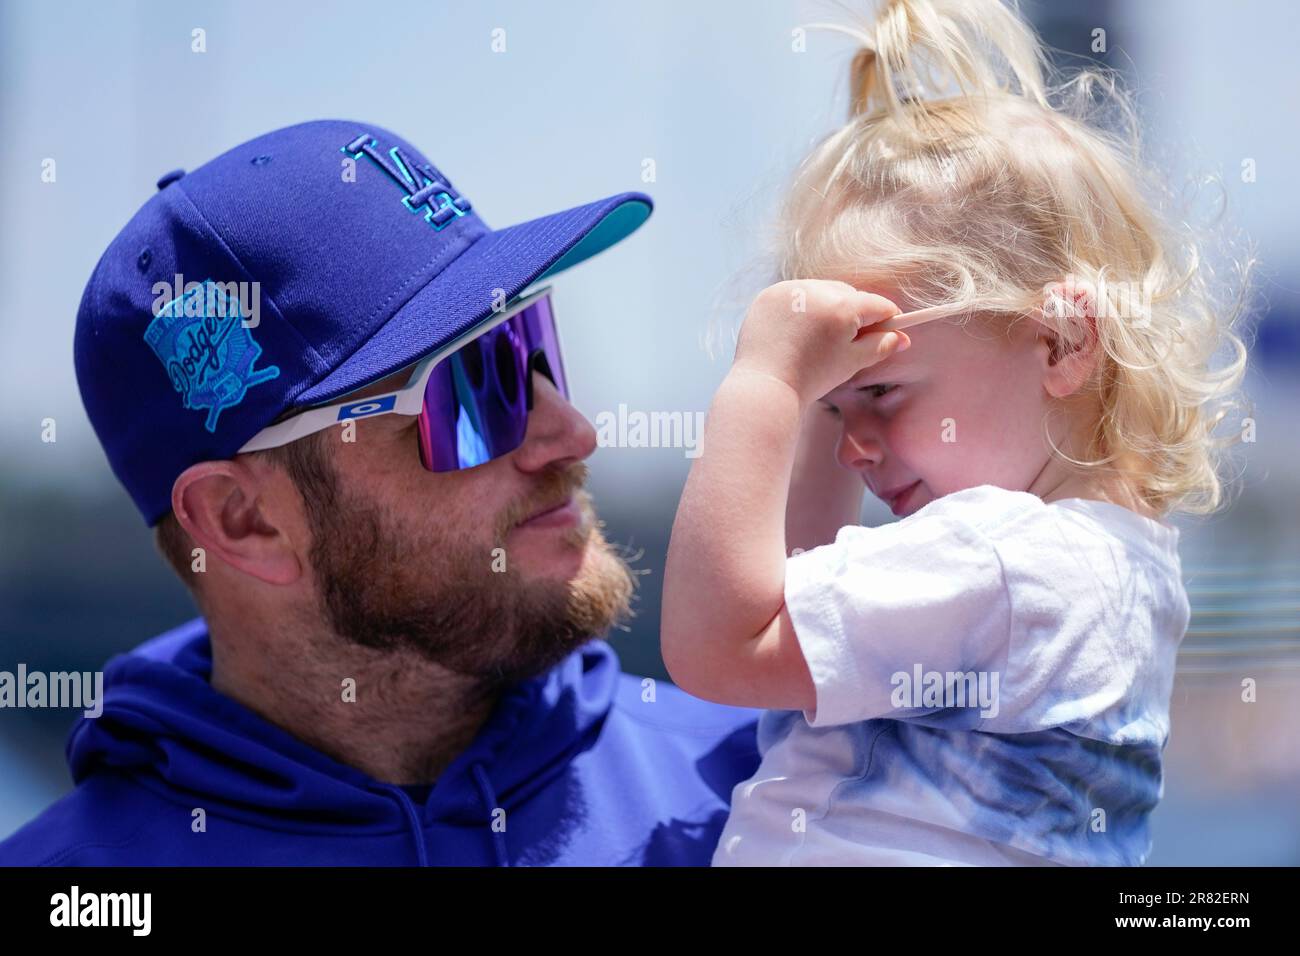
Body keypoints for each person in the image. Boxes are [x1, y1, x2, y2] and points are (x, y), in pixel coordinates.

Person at [0, 119, 761, 866]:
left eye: (534, 348)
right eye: (474, 389)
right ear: (245, 520)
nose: (572, 432)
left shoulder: (766, 790)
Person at [661, 0, 1249, 865]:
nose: (854, 446)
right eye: (835, 407)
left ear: (1060, 341)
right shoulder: (1118, 569)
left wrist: (764, 386)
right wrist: (824, 389)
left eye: (887, 393)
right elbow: (790, 590)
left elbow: (722, 646)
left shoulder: (1000, 561)